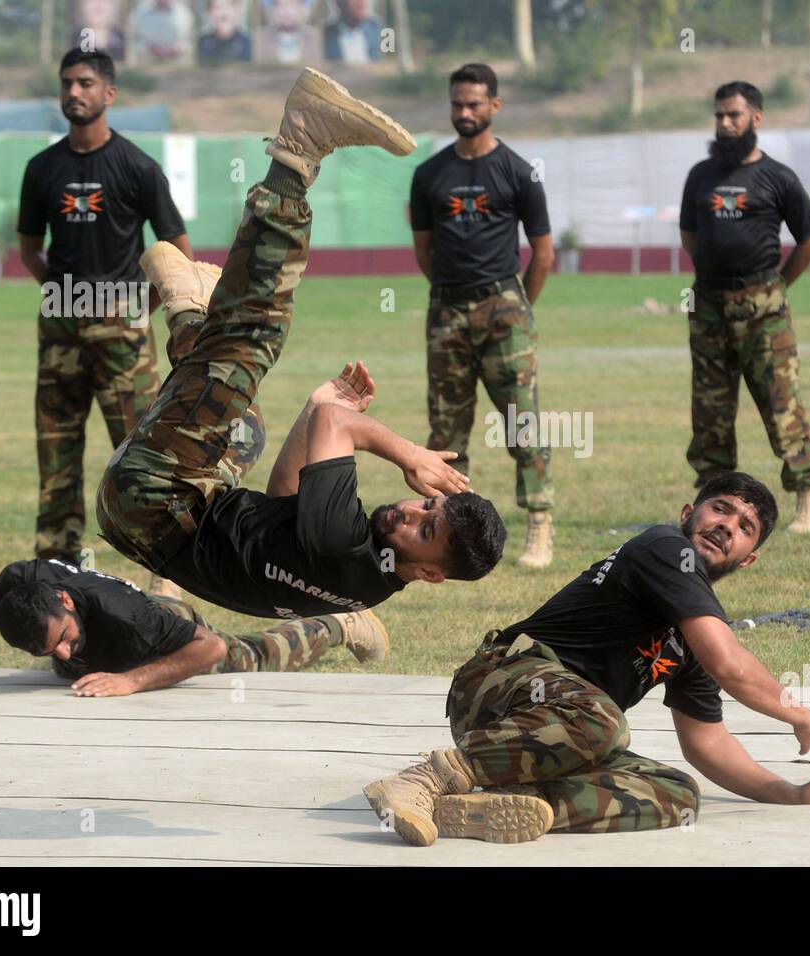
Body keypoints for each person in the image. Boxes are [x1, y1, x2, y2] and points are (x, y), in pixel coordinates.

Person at [94, 68, 508, 626]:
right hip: (152, 516)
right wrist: (316, 408)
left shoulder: (347, 545)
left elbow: (341, 429)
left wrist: (406, 452)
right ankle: (187, 300)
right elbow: (284, 495)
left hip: (158, 497)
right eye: (427, 506)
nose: (411, 510)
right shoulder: (371, 575)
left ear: (431, 573)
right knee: (244, 428)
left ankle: (299, 145)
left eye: (426, 530)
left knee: (253, 338)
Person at [363, 472, 810, 846]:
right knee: (603, 722)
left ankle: (492, 807)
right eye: (720, 509)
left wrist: (791, 793)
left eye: (745, 526)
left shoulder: (697, 628)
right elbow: (730, 663)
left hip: (563, 733)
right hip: (498, 686)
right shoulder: (664, 548)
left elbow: (707, 742)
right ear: (690, 511)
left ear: (747, 557)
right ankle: (426, 778)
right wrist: (799, 711)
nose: (726, 526)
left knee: (677, 792)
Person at [17, 49, 192, 590]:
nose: (75, 92)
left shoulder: (138, 167)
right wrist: (63, 299)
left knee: (139, 461)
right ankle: (54, 578)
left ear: (109, 94)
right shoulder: (42, 168)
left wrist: (136, 310)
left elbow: (177, 253)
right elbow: (29, 250)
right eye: (67, 83)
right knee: (57, 457)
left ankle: (163, 578)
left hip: (123, 338)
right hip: (61, 333)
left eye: (86, 83)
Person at [410, 63, 557, 568]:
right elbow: (424, 251)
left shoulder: (518, 172)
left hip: (505, 310)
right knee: (447, 429)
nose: (464, 113)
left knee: (522, 422)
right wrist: (452, 295)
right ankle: (449, 523)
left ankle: (539, 521)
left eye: (474, 104)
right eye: (457, 104)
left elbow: (543, 254)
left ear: (495, 106)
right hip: (447, 308)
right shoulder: (429, 175)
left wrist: (517, 308)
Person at [0, 558, 389, 698]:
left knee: (246, 657)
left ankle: (341, 624)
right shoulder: (23, 584)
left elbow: (208, 648)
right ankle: (164, 585)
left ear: (66, 601)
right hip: (131, 614)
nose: (62, 655)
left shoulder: (125, 622)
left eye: (63, 640)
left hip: (160, 629)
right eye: (48, 652)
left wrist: (130, 680)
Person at [680, 80, 810, 534]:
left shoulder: (778, 176)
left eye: (734, 116)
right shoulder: (700, 176)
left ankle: (808, 500)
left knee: (781, 405)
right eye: (720, 116)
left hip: (764, 312)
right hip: (708, 309)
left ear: (756, 119)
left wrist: (778, 285)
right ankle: (712, 505)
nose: (725, 124)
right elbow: (690, 235)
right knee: (710, 415)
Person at [255, 0, 324, 65]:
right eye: (281, 5)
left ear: (302, 8)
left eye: (292, 5)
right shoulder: (260, 37)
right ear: (274, 9)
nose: (287, 11)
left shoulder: (316, 37)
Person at [131, 0, 196, 65]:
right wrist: (149, 48)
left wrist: (180, 48)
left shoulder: (183, 12)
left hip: (177, 66)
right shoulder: (140, 11)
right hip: (146, 65)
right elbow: (133, 39)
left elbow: (190, 39)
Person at [198, 0, 253, 64]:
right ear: (210, 12)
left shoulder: (250, 45)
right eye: (217, 7)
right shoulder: (201, 44)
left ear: (237, 9)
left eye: (228, 6)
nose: (223, 13)